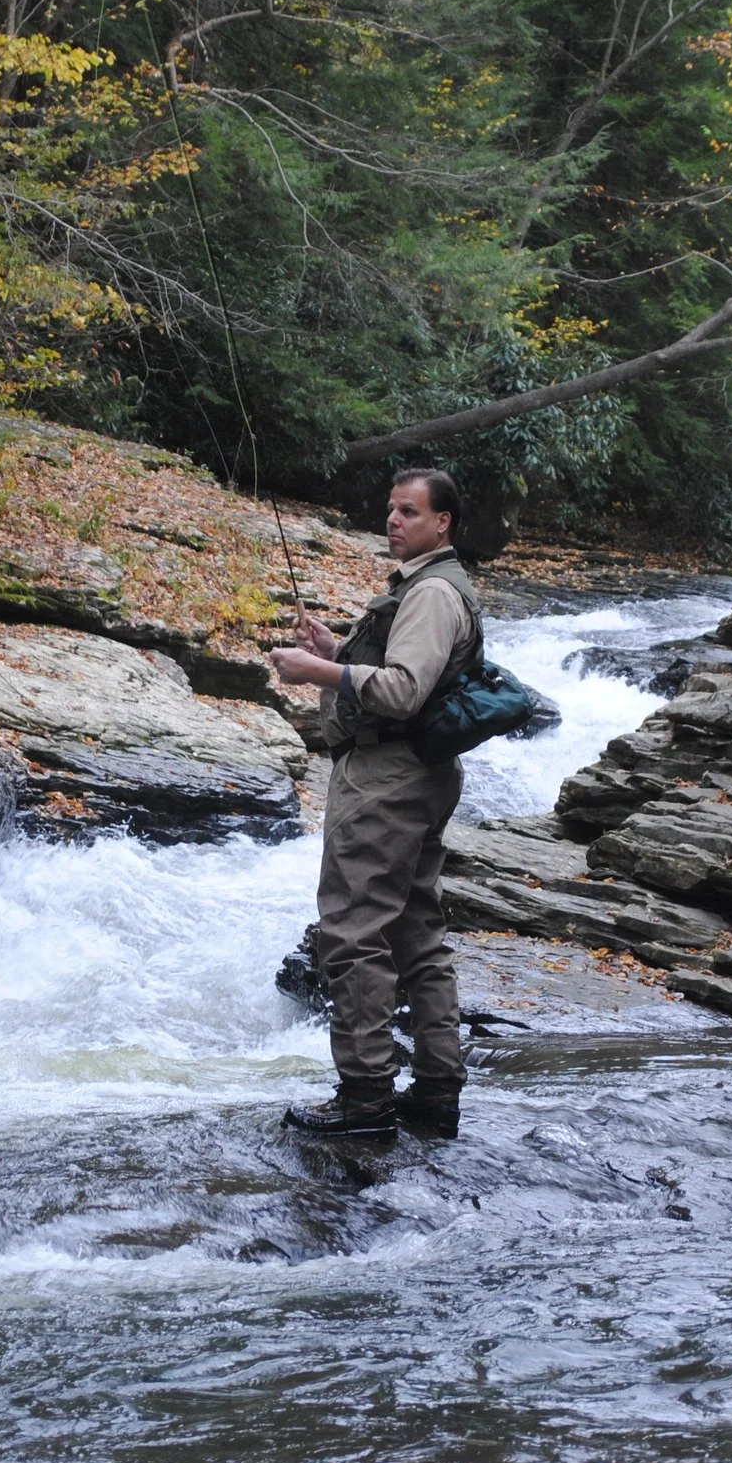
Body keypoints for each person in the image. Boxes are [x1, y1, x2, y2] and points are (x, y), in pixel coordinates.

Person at [267, 467, 481, 1139]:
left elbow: (402, 691)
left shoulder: (432, 594)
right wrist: (335, 648)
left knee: (355, 934)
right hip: (417, 774)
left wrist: (320, 672)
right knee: (416, 929)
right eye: (390, 510)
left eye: (409, 512)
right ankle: (436, 1089)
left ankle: (364, 1097)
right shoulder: (434, 587)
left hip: (389, 780)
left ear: (442, 522)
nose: (394, 521)